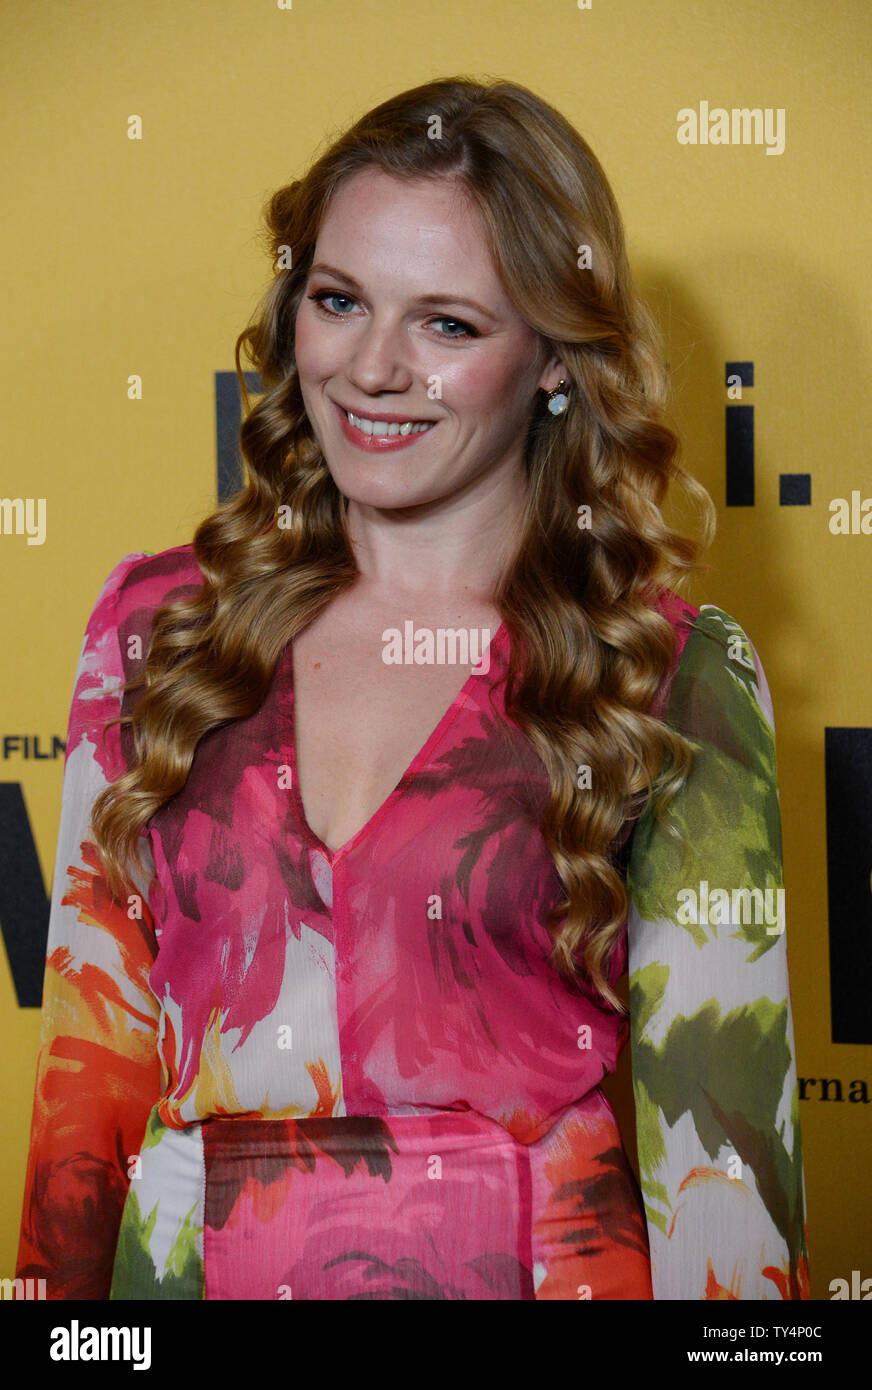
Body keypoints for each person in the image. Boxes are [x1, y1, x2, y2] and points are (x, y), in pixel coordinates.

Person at [16, 75, 809, 1301]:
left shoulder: (664, 674)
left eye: (446, 324)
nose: (373, 368)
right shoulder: (155, 628)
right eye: (339, 301)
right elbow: (88, 1085)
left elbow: (729, 1179)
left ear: (551, 356)